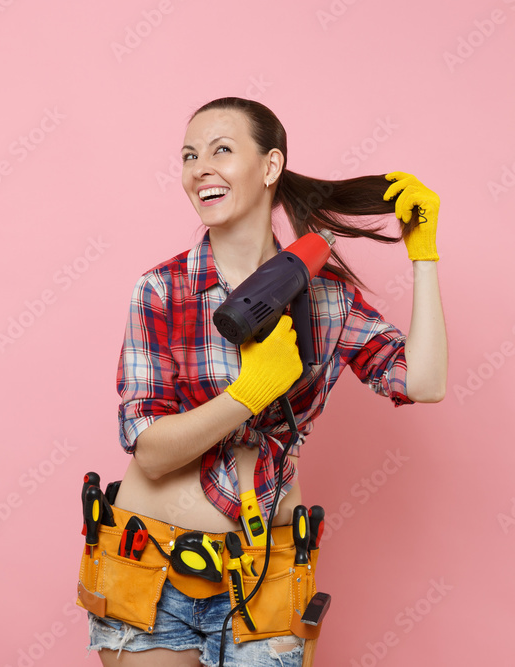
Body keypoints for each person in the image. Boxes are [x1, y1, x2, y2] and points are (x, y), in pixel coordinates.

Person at [83, 96, 448, 667]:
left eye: (221, 150)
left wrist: (422, 256)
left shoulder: (327, 299)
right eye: (188, 156)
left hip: (268, 572)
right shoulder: (161, 290)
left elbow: (422, 381)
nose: (199, 167)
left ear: (271, 167)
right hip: (152, 561)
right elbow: (151, 452)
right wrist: (248, 394)